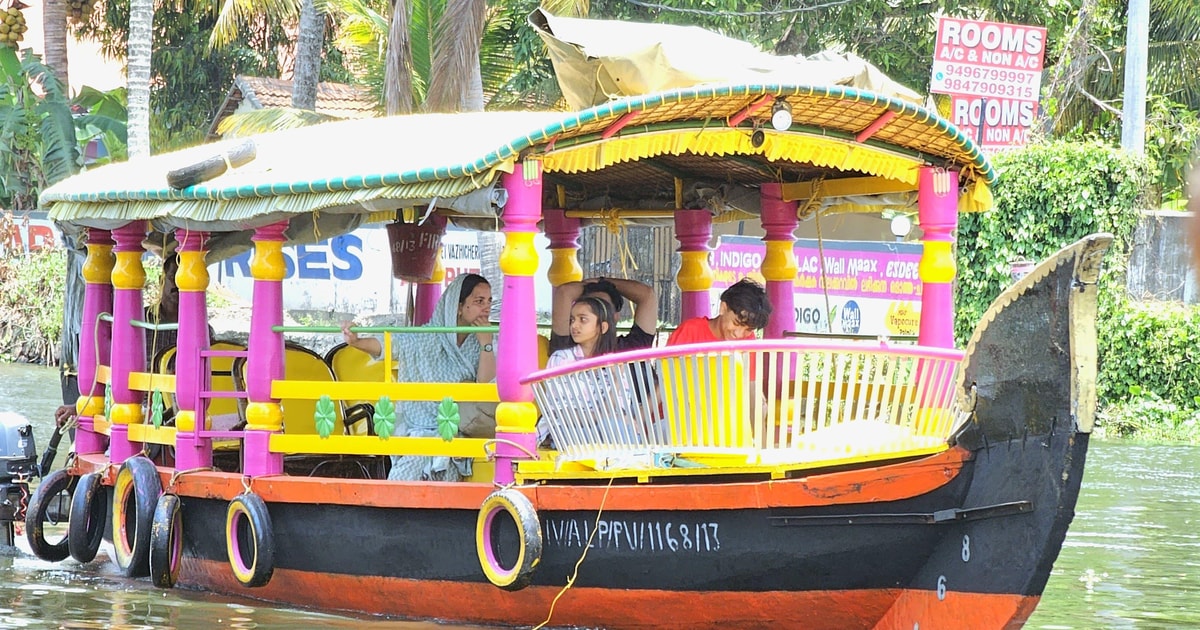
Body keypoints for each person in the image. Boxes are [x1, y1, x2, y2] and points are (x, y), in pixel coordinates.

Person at [341, 273, 496, 482]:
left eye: (489, 301)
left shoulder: (482, 341)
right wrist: (356, 341)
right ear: (458, 307)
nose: (486, 308)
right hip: (419, 430)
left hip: (458, 431)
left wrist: (486, 343)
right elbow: (388, 345)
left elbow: (484, 387)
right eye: (479, 301)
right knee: (405, 476)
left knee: (447, 477)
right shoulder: (424, 337)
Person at [544, 296, 639, 444]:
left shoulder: (614, 364)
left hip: (606, 431)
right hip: (569, 433)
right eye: (572, 320)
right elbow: (562, 414)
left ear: (603, 327)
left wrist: (616, 381)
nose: (574, 325)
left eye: (583, 319)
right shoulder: (561, 359)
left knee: (617, 427)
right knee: (616, 428)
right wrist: (603, 417)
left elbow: (618, 411)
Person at [549, 277, 657, 353]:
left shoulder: (631, 347)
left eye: (603, 306)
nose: (597, 310)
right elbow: (564, 292)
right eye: (590, 306)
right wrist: (591, 284)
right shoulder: (568, 349)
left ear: (615, 316)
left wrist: (602, 281)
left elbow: (647, 295)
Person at [667, 278, 772, 345]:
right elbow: (667, 374)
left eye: (748, 329)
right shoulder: (689, 331)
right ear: (723, 308)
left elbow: (750, 379)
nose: (738, 334)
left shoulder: (748, 341)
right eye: (736, 323)